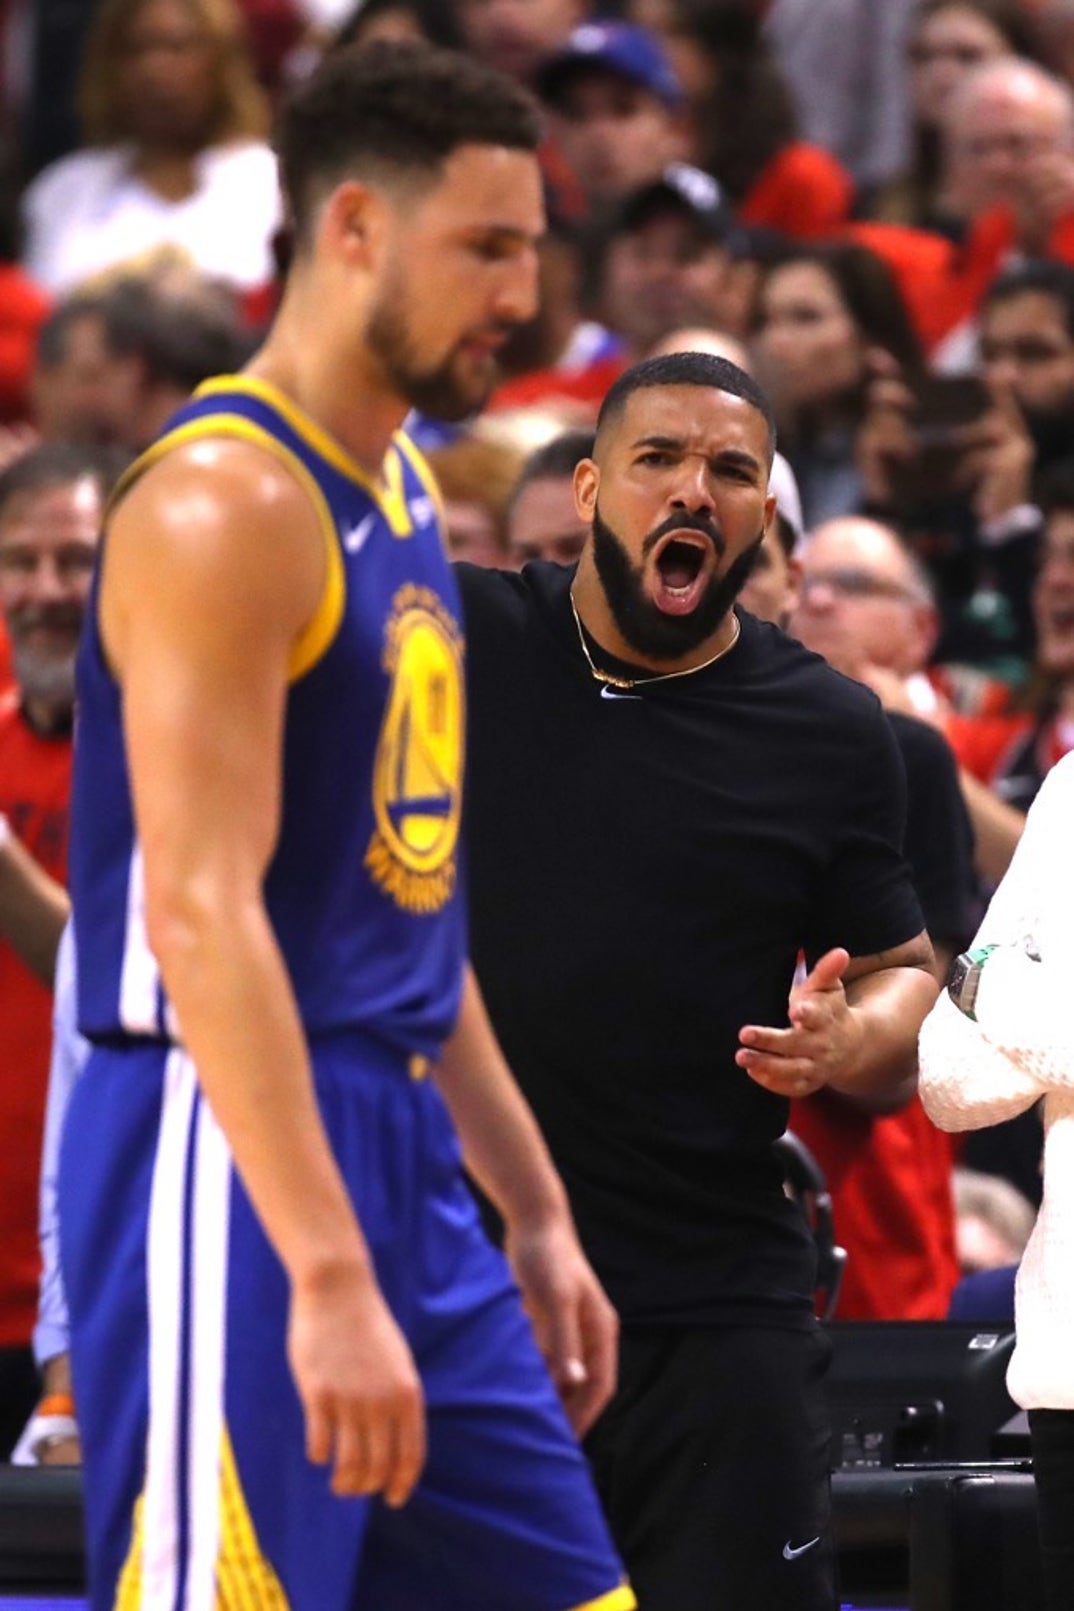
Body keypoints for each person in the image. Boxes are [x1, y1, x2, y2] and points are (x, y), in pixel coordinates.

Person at [60, 40, 630, 1611]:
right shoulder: (224, 502)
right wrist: (320, 1265)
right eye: (485, 247)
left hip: (398, 1149)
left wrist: (533, 1208)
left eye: (531, 247)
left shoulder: (394, 487)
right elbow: (199, 912)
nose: (520, 294)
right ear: (356, 228)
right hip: (228, 1140)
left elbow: (409, 907)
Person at [457, 350, 939, 1609]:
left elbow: (906, 978)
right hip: (463, 1282)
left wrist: (846, 1043)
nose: (692, 489)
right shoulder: (458, 642)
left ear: (763, 515)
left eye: (729, 470)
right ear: (588, 489)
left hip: (712, 1296)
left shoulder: (827, 728)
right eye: (657, 458)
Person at [919, 750, 1074, 1611]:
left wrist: (987, 983)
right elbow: (946, 1077)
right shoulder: (1070, 790)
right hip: (1068, 1380)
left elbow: (970, 989)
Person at [0, 441, 125, 1460]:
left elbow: (105, 987)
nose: (46, 590)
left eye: (76, 560)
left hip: (89, 1294)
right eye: (21, 561)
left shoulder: (161, 761)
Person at [19, 0, 282, 298]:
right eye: (135, 49)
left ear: (223, 62)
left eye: (177, 47)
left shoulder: (269, 184)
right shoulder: (63, 191)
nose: (154, 69)